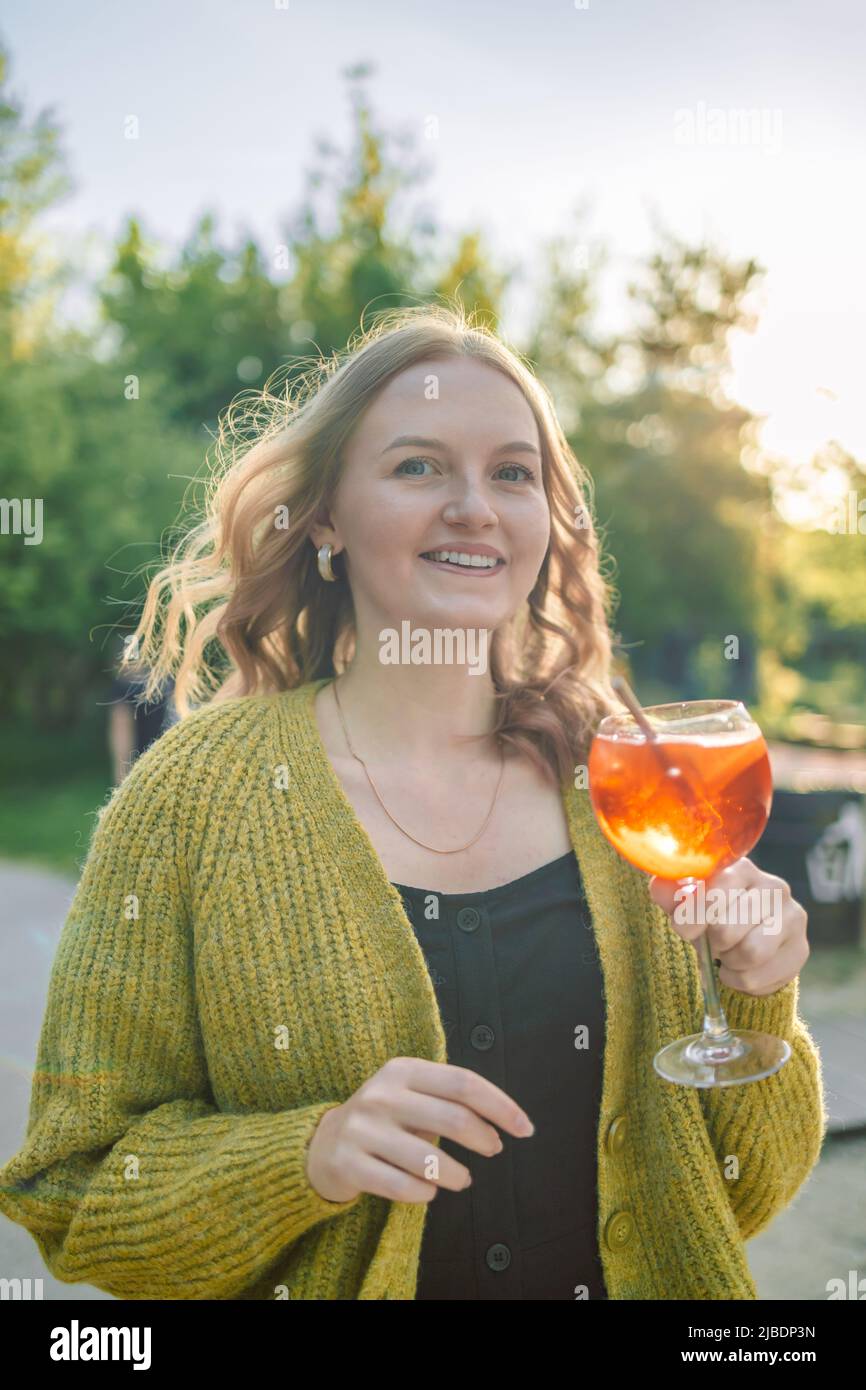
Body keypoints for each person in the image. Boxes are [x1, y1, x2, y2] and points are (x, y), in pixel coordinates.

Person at [0, 304, 824, 1301]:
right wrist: (307, 1156)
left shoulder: (617, 777)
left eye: (510, 472)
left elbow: (730, 1197)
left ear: (543, 521)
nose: (473, 506)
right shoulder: (190, 799)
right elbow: (74, 1195)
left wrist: (754, 996)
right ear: (326, 518)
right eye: (418, 466)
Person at [107, 644, 177, 783]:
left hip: (141, 768)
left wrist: (120, 781)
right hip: (170, 759)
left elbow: (121, 734)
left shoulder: (122, 689)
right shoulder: (165, 681)